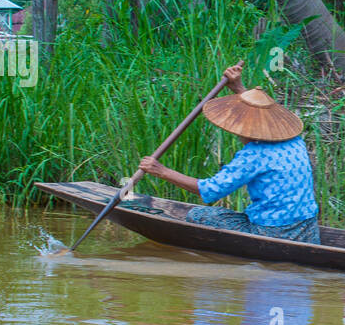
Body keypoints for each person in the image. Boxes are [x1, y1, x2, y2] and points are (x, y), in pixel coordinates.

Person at [138, 62, 322, 244]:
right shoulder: (295, 141)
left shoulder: (253, 156)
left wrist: (161, 171)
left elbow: (209, 191)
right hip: (308, 230)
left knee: (198, 215)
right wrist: (238, 88)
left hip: (271, 233)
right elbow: (260, 115)